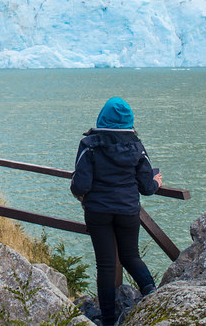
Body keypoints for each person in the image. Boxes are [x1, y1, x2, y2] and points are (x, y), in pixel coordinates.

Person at [70, 97, 161, 326]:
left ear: (102, 118)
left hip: (98, 211)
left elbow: (79, 185)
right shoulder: (136, 146)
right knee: (131, 256)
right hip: (128, 209)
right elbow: (146, 187)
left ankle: (108, 320)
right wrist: (157, 182)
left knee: (106, 264)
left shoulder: (89, 145)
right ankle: (155, 297)